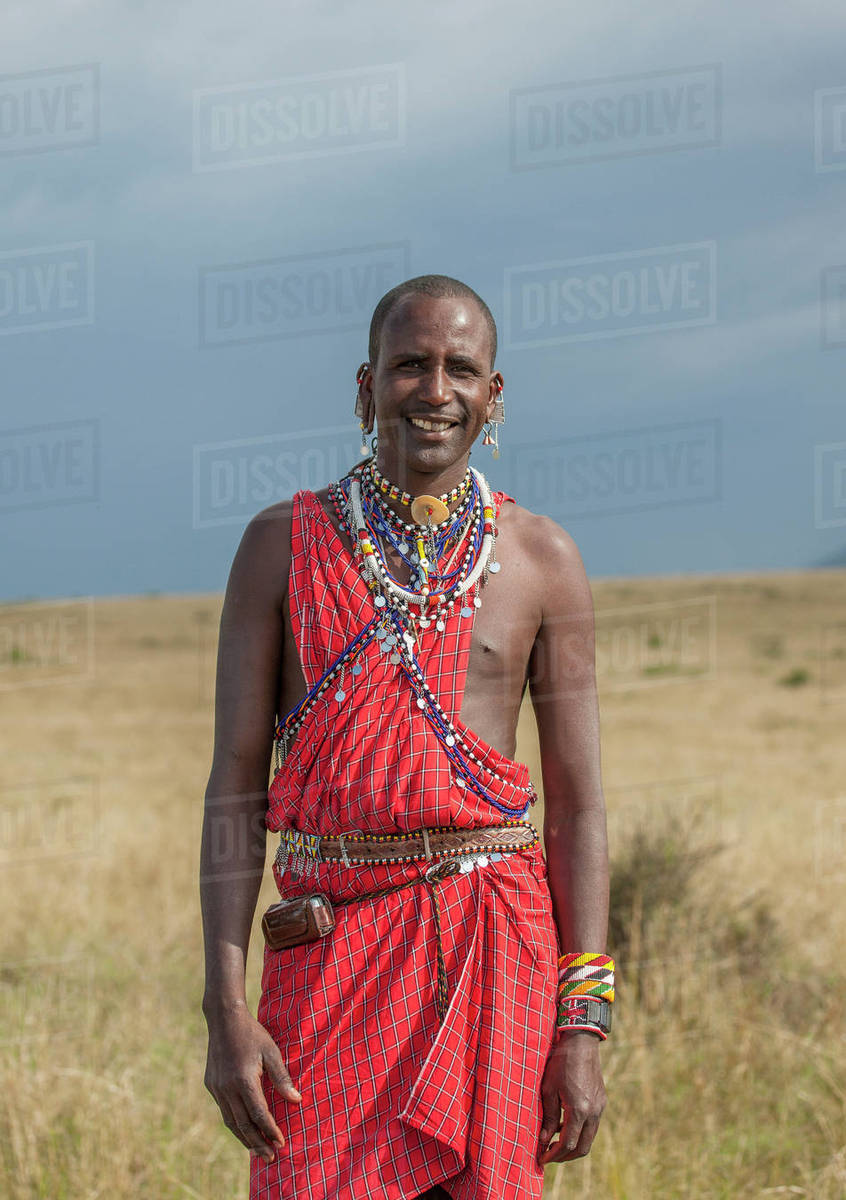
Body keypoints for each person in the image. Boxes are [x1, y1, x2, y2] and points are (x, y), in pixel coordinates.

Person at [200, 275, 612, 1200]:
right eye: (409, 366)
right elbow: (234, 783)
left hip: (498, 954)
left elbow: (579, 808)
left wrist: (582, 1025)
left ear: (493, 394)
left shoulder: (544, 557)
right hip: (330, 954)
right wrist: (226, 1009)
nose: (435, 391)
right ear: (364, 386)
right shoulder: (283, 545)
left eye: (460, 368)